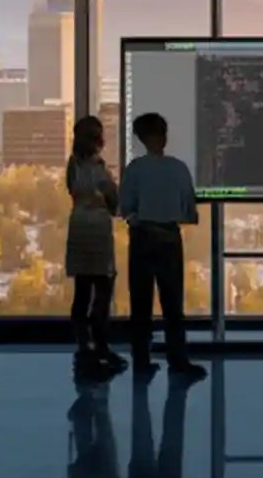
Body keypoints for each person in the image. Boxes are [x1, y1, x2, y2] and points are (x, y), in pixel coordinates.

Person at [119, 112, 206, 381]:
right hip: (169, 239)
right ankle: (178, 361)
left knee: (141, 303)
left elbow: (125, 207)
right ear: (164, 136)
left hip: (142, 238)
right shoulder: (178, 168)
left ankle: (142, 361)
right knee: (172, 304)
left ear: (140, 138)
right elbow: (190, 212)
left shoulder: (134, 169)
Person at [65, 115, 126, 378]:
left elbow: (72, 191)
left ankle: (83, 348)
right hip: (98, 231)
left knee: (81, 291)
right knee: (102, 291)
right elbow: (115, 202)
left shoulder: (73, 166)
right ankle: (102, 347)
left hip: (78, 228)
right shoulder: (100, 168)